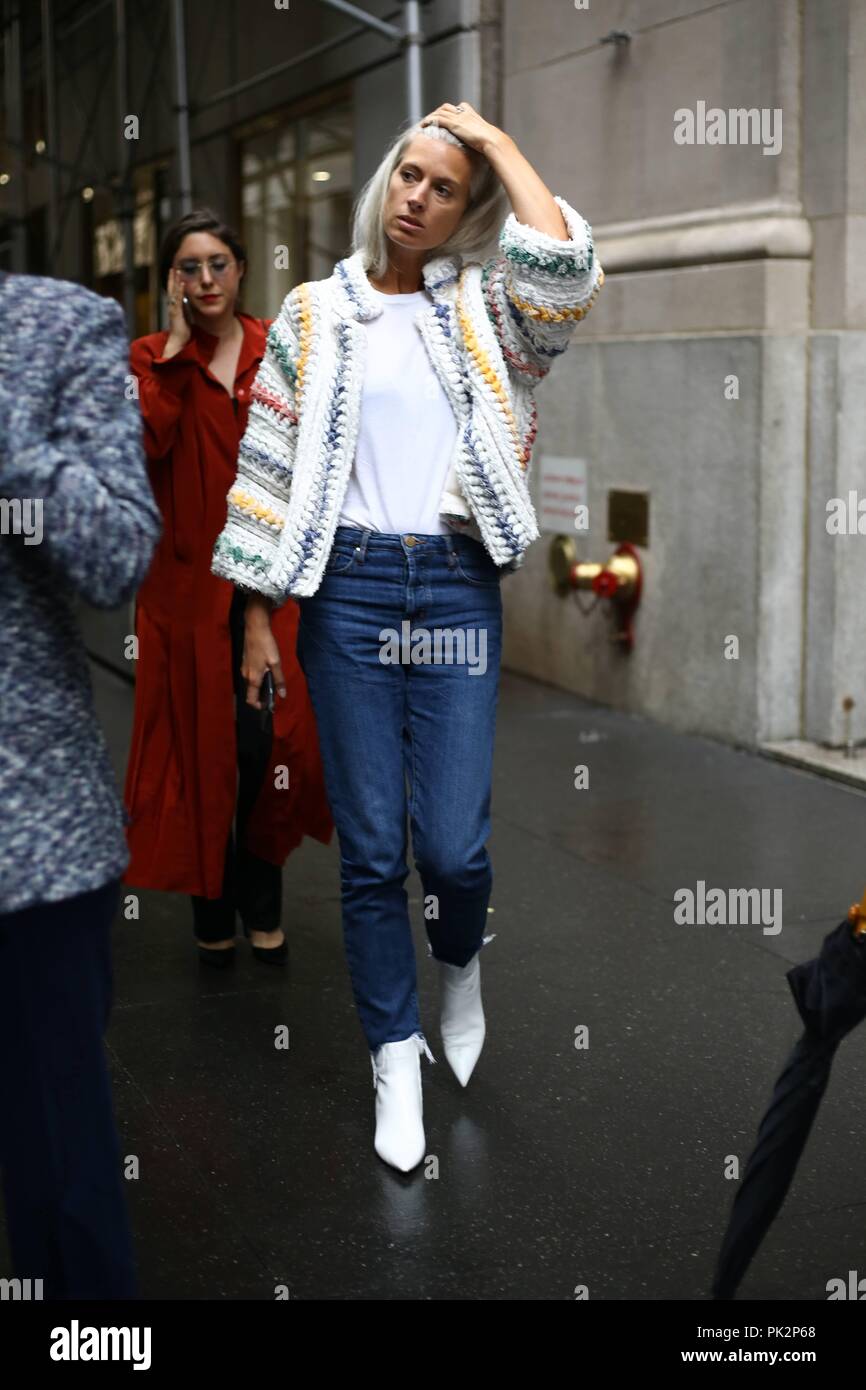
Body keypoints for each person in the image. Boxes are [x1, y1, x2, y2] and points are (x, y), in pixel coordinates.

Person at [211, 102, 604, 1171]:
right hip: (346, 590)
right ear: (383, 181)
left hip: (454, 583)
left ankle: (459, 962)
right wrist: (255, 616)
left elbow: (565, 275)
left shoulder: (484, 309)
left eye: (444, 186)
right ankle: (393, 1052)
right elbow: (267, 465)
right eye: (410, 177)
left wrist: (497, 145)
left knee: (454, 849)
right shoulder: (311, 312)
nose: (418, 198)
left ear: (463, 208)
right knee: (374, 849)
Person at [0, 270, 162, 1296]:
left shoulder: (55, 325)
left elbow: (118, 558)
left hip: (26, 845)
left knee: (59, 1183)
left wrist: (11, 451)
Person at [124, 211, 333, 967]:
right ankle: (214, 905)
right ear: (172, 279)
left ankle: (260, 889)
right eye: (189, 267)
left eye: (217, 264)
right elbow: (149, 444)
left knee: (281, 746)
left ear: (240, 269)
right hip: (182, 596)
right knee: (200, 754)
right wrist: (178, 357)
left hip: (272, 586)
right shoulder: (150, 358)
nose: (205, 279)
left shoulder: (281, 347)